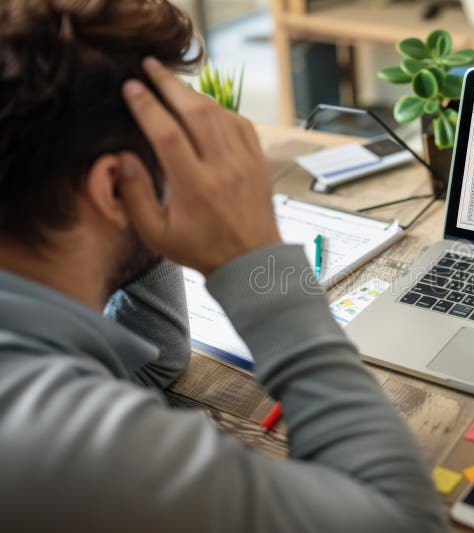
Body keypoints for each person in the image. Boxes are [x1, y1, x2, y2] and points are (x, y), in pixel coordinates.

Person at [0, 1, 445, 531]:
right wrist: (252, 251)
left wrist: (151, 207)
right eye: (170, 149)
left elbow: (152, 364)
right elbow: (406, 519)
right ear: (113, 188)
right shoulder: (58, 436)